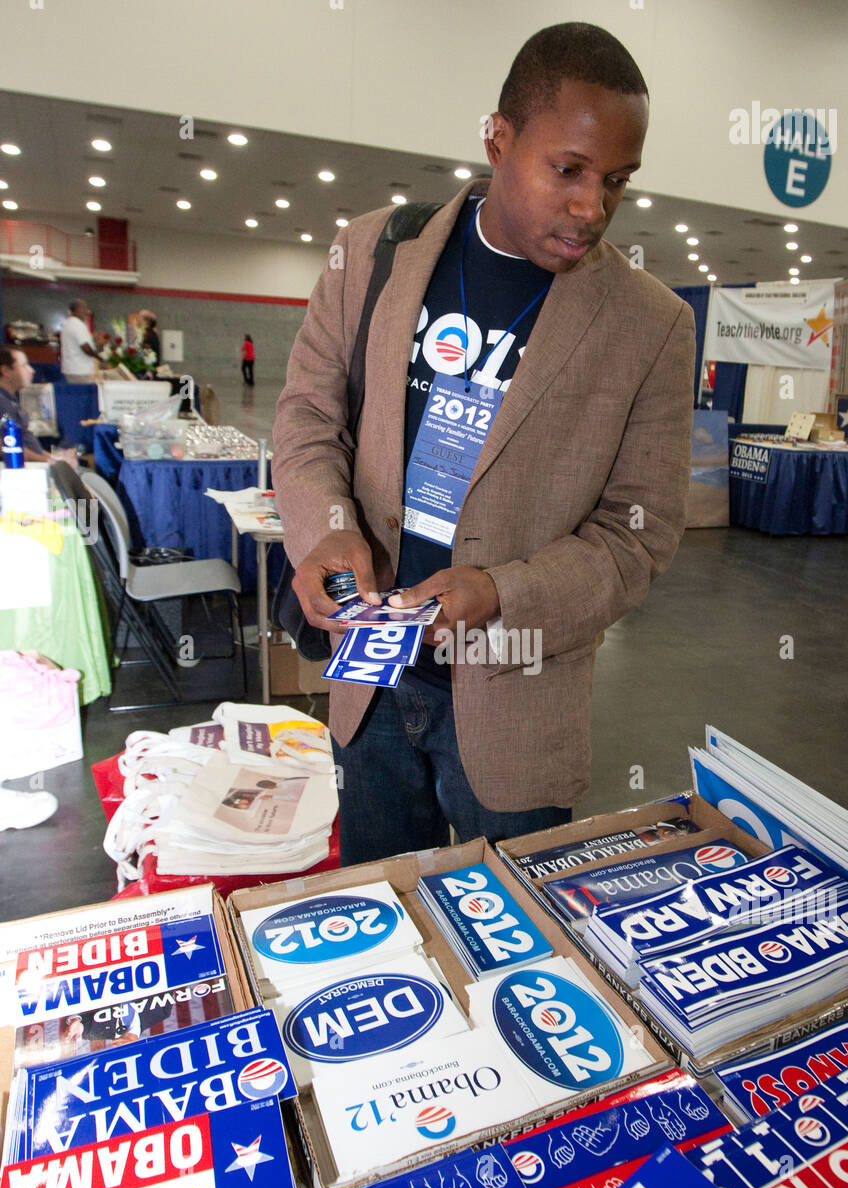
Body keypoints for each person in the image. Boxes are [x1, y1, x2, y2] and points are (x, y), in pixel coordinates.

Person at [273, 22, 695, 867]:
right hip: (371, 686)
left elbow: (635, 538)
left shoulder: (651, 324)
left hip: (518, 700)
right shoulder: (373, 252)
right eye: (567, 170)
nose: (592, 207)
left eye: (616, 181)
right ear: (498, 140)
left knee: (522, 957)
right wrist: (326, 526)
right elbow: (308, 416)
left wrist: (499, 592)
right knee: (384, 913)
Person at [0, 346, 59, 462]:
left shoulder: (10, 400)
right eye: (24, 366)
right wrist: (46, 461)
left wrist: (53, 458)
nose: (31, 370)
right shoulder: (2, 402)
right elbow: (5, 446)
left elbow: (27, 442)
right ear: (6, 371)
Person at [59, 298, 99, 382]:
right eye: (84, 308)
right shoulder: (78, 324)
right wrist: (99, 357)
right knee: (85, 394)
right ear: (76, 310)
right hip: (81, 371)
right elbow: (86, 347)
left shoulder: (67, 323)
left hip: (71, 370)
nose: (87, 311)